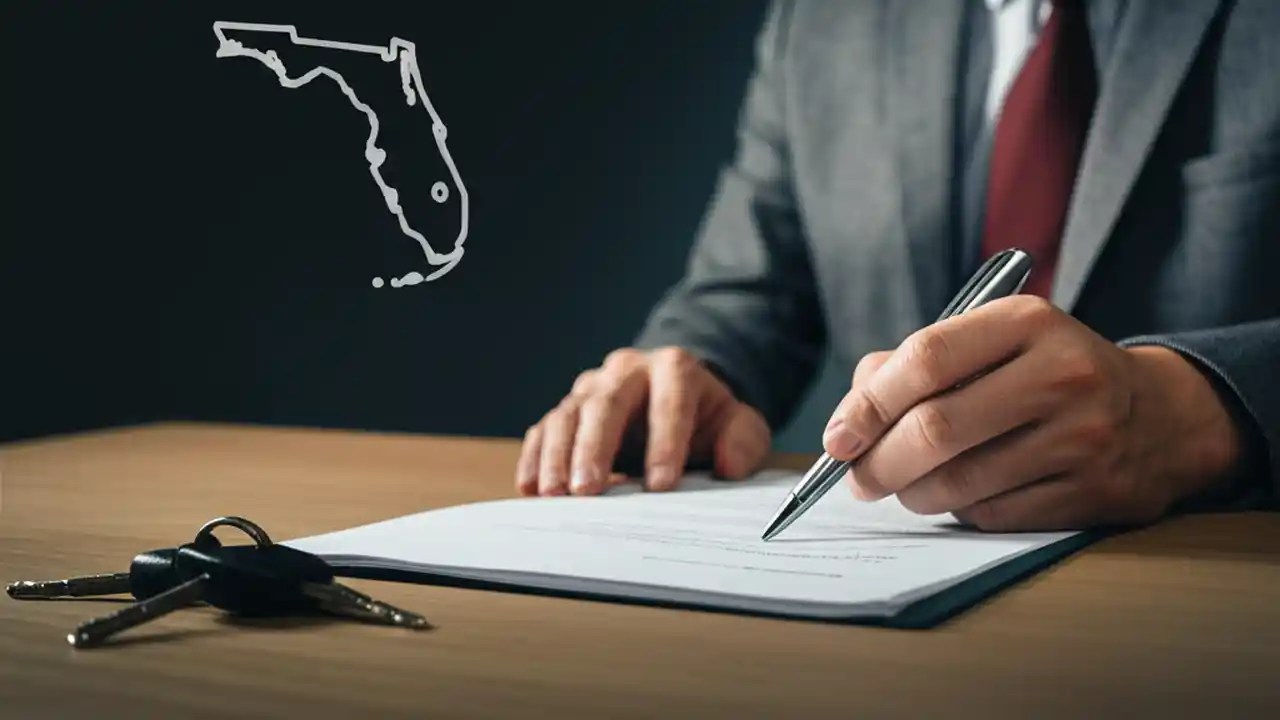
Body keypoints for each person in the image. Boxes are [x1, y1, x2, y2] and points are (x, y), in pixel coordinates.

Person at [515, 0, 1278, 530]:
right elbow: (750, 290)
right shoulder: (825, 21)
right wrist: (689, 376)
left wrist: (1196, 413)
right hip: (902, 602)